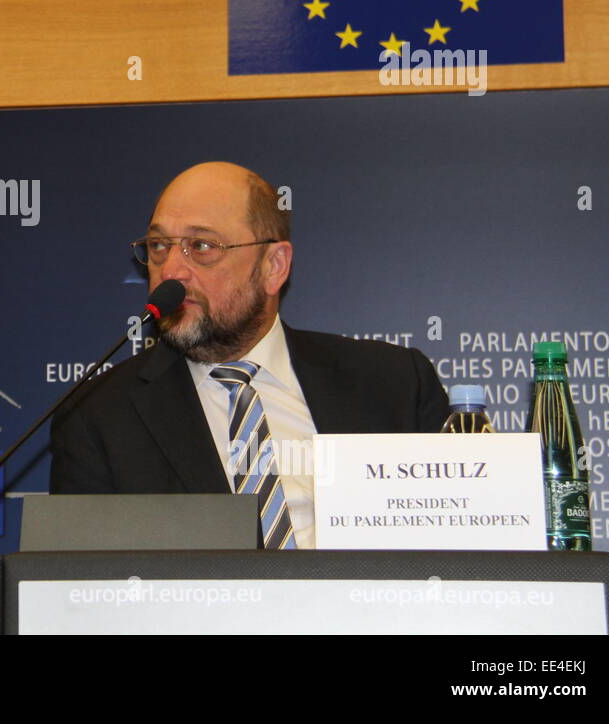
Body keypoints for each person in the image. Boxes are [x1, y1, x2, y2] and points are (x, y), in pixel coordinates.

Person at [49, 162, 448, 548]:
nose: (171, 270)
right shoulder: (98, 418)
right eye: (159, 246)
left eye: (201, 246)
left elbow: (464, 548)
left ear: (274, 266)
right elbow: (84, 592)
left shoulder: (394, 385)